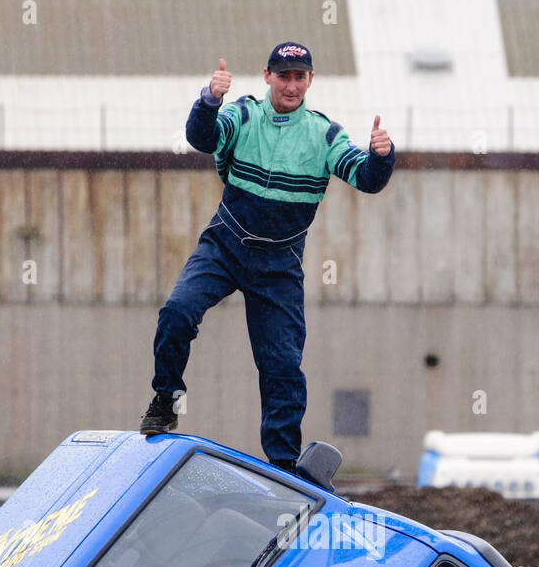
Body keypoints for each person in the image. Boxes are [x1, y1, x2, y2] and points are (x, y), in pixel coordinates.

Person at [139, 41, 395, 471]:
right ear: (267, 77)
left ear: (310, 80)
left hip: (278, 265)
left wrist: (382, 157)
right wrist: (210, 100)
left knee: (282, 367)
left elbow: (365, 178)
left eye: (299, 77)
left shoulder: (324, 134)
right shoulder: (244, 114)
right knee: (177, 312)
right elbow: (201, 138)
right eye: (283, 76)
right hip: (226, 243)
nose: (291, 85)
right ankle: (167, 399)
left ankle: (283, 464)